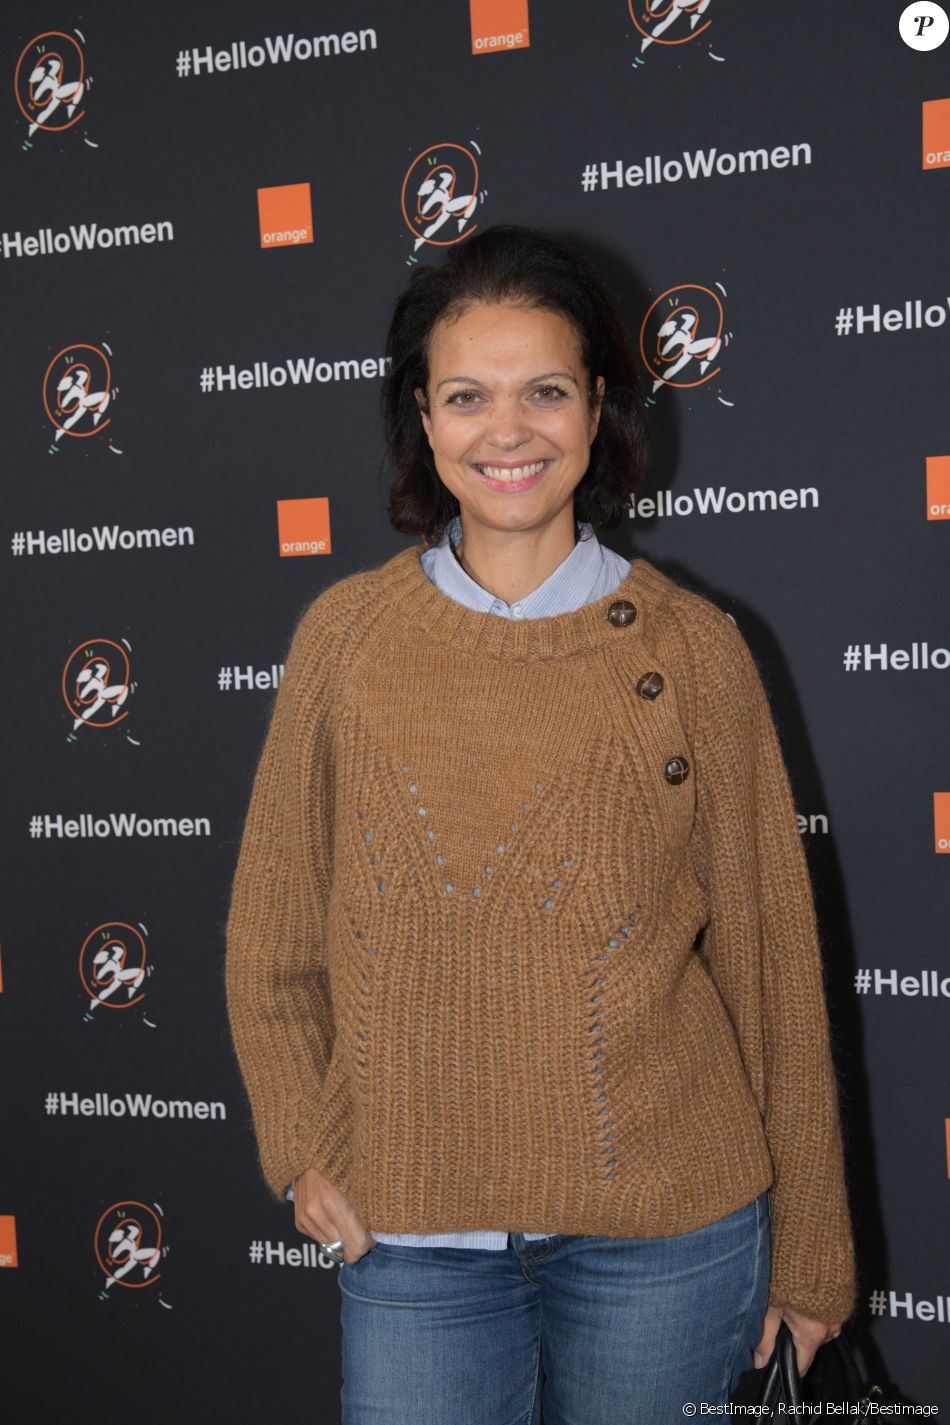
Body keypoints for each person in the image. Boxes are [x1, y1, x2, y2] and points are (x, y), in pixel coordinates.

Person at [225, 224, 855, 1422]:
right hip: (409, 1241)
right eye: (467, 395)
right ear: (420, 415)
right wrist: (301, 1142)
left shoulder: (690, 652)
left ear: (597, 406)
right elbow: (274, 944)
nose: (506, 431)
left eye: (545, 392)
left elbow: (770, 966)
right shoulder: (345, 643)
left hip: (666, 1242)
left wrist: (814, 1247)